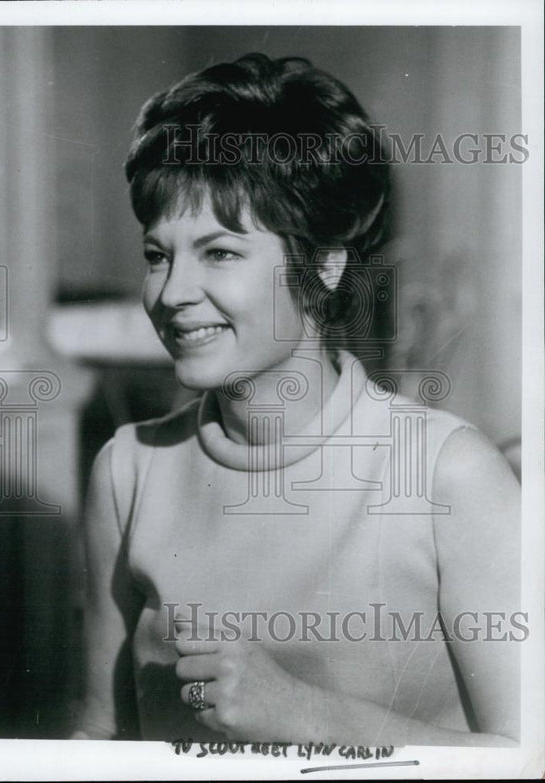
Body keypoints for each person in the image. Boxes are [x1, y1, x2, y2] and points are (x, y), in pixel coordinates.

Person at [73, 53, 521, 746]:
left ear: (324, 264)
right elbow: (102, 737)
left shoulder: (449, 474)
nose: (172, 293)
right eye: (157, 255)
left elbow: (526, 757)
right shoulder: (126, 471)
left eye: (220, 253)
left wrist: (306, 714)